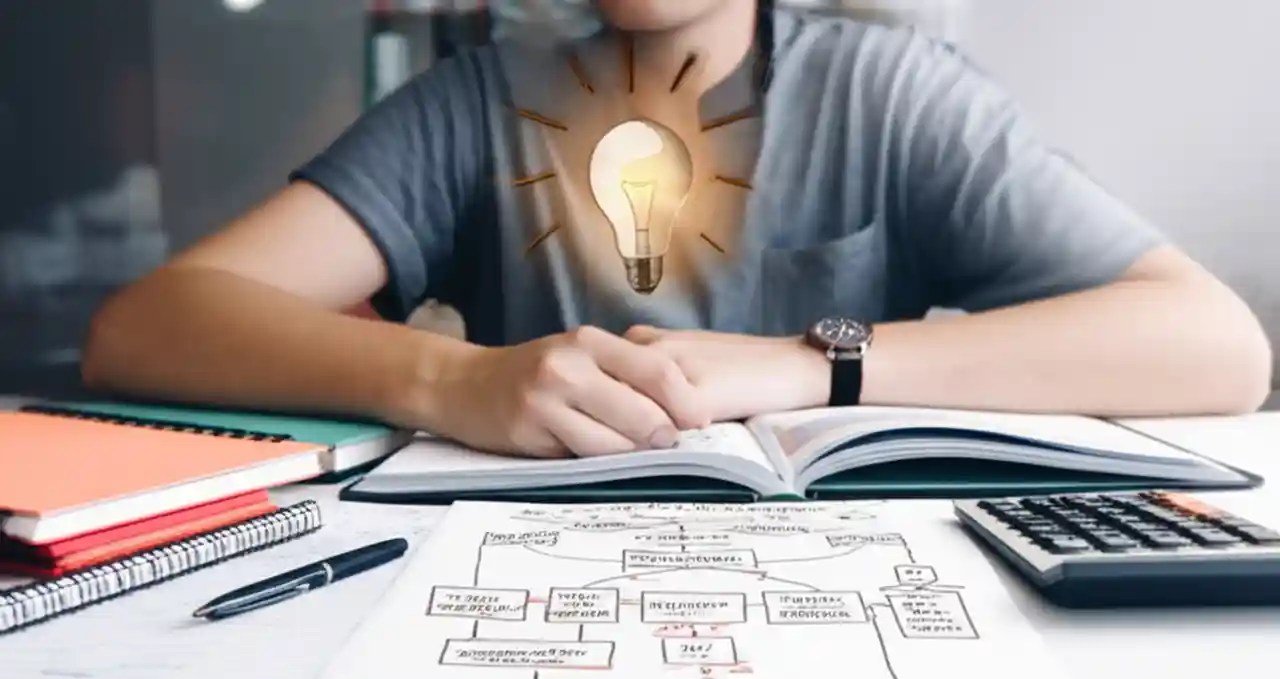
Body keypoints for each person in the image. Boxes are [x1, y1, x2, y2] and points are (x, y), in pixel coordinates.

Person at [82, 0, 1272, 459]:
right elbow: (146, 326)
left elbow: (1213, 347)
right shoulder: (474, 103)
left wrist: (812, 361)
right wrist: (451, 379)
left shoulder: (892, 94)